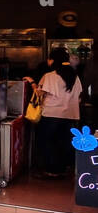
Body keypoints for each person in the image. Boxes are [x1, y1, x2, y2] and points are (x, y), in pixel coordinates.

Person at [35, 47, 82, 177]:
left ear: (53, 60)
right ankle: (63, 168)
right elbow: (79, 96)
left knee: (47, 141)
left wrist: (33, 83)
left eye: (49, 59)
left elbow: (39, 94)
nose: (48, 61)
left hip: (51, 114)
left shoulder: (50, 76)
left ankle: (52, 170)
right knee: (64, 141)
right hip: (69, 115)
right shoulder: (75, 77)